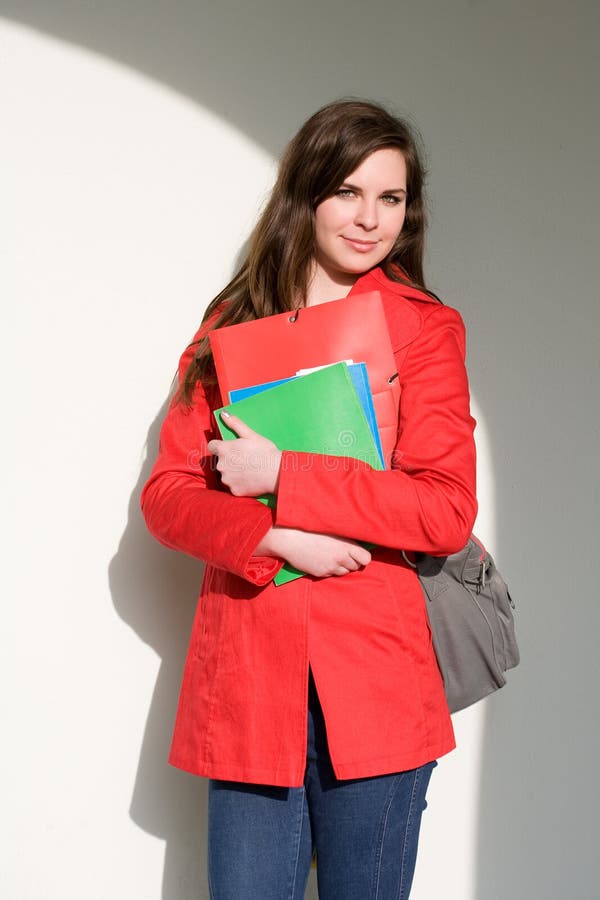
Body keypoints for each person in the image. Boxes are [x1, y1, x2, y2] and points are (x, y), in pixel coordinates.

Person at [141, 98, 477, 899]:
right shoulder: (233, 321)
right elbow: (168, 494)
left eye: (390, 199)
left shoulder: (424, 329)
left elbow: (443, 510)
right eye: (348, 192)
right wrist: (272, 540)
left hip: (378, 683)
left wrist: (287, 476)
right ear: (307, 194)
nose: (369, 219)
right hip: (253, 677)